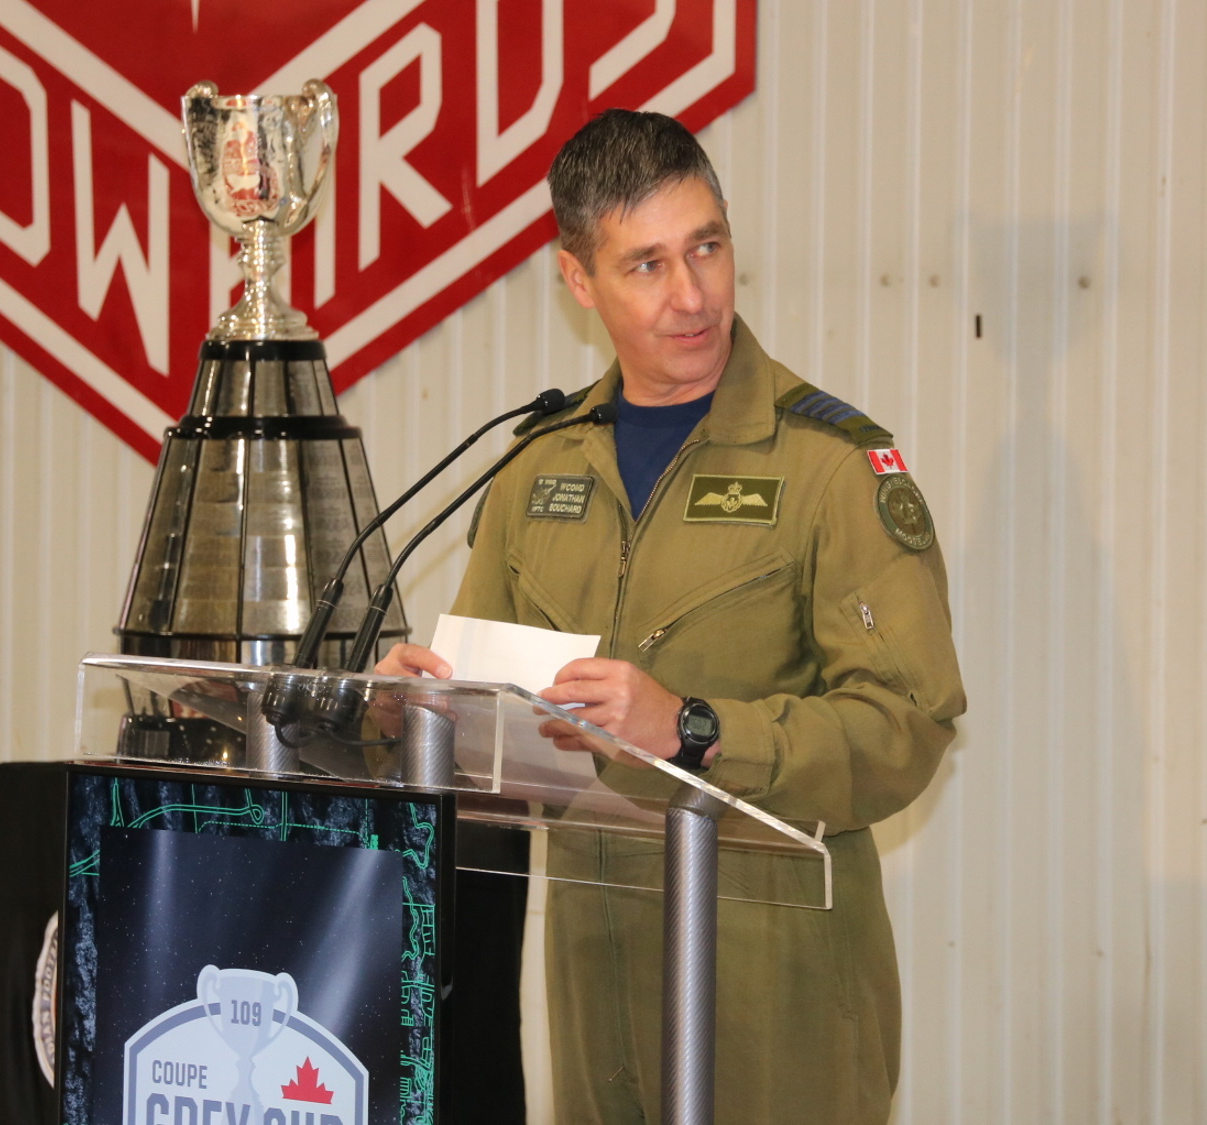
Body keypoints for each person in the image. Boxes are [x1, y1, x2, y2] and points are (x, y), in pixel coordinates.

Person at [377, 109, 966, 1124]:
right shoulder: (538, 467)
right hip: (596, 975)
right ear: (578, 280)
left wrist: (695, 730)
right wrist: (420, 724)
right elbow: (490, 738)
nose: (692, 295)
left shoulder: (831, 466)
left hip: (780, 987)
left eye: (707, 246)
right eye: (646, 265)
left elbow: (909, 729)